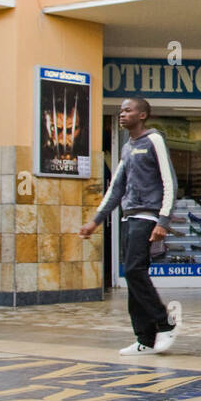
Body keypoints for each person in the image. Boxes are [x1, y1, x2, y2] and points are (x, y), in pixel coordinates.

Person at [80, 97, 178, 356]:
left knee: (135, 271)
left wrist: (163, 221)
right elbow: (116, 188)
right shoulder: (127, 147)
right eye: (121, 111)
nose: (122, 114)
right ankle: (144, 339)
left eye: (127, 110)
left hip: (148, 217)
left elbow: (170, 181)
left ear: (142, 115)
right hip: (129, 217)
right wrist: (95, 221)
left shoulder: (154, 140)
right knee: (133, 276)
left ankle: (164, 322)